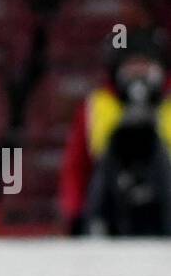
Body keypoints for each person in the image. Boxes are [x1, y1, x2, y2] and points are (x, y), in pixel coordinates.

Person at [60, 29, 171, 235]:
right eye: (132, 66)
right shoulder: (97, 105)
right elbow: (76, 166)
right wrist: (75, 214)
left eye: (145, 65)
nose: (139, 74)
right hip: (111, 206)